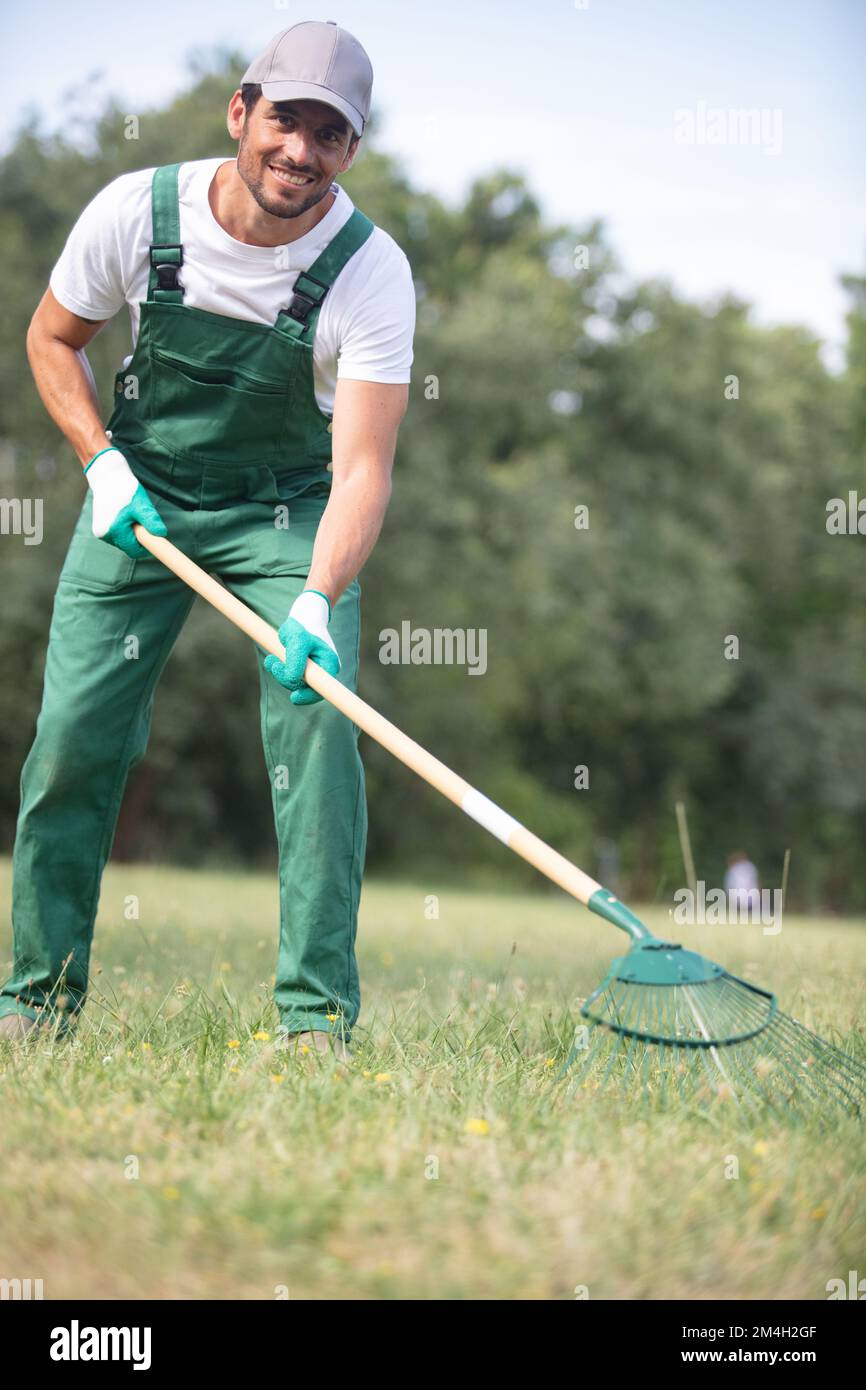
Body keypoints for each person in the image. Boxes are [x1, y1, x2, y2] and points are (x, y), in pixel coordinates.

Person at [0, 21, 415, 1060]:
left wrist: (315, 597)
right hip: (138, 499)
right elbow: (52, 340)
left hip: (285, 515)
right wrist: (100, 460)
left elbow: (362, 467)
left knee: (319, 728)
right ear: (241, 112)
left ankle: (314, 1020)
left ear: (349, 151)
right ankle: (36, 1000)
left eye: (329, 134)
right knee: (72, 743)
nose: (299, 152)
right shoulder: (139, 212)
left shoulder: (368, 270)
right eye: (284, 120)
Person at [724, 851, 760, 918]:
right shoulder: (751, 866)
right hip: (751, 897)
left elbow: (730, 885)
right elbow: (756, 881)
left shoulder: (733, 869)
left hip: (738, 897)